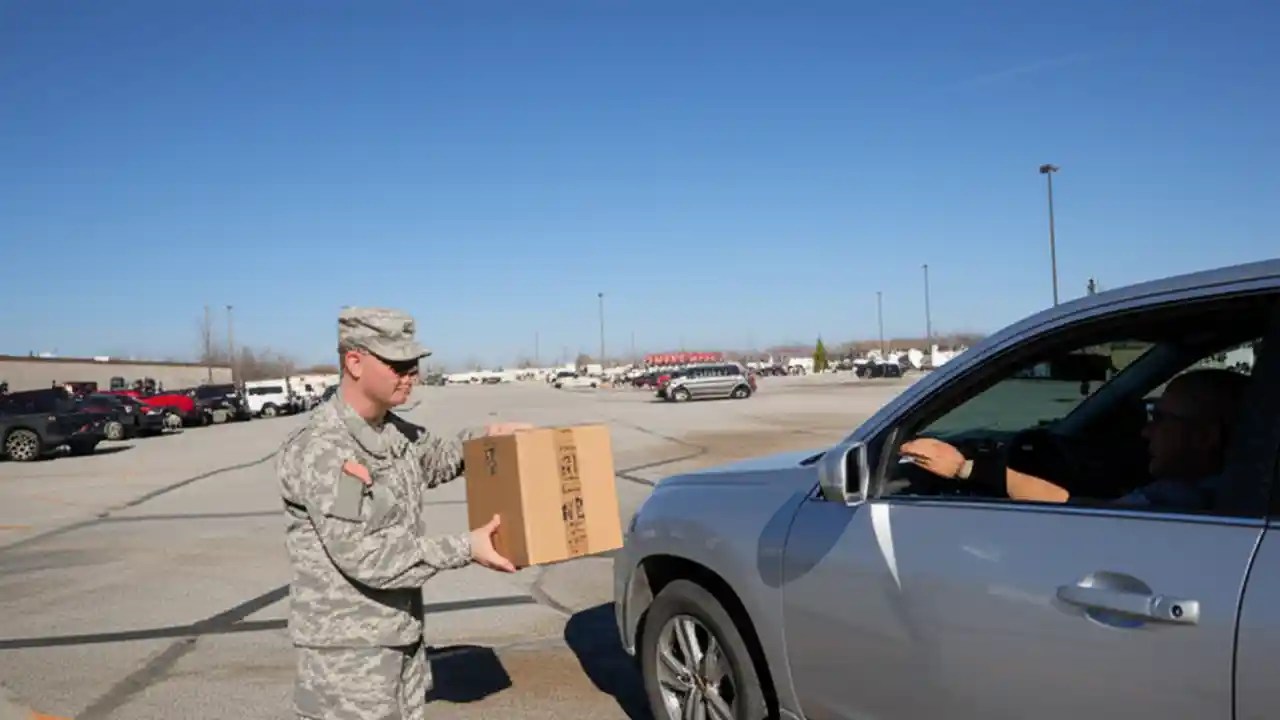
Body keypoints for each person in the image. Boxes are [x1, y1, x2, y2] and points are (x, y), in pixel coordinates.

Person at [278, 306, 529, 720]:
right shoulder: (323, 449)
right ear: (354, 362)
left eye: (414, 364)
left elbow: (441, 459)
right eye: (397, 365)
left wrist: (488, 439)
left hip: (398, 635)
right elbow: (366, 556)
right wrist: (466, 547)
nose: (410, 374)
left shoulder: (394, 433)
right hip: (347, 657)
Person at [900, 367, 1250, 510]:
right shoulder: (1238, 493)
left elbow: (1079, 512)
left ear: (1206, 436)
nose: (1146, 431)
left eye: (1159, 419)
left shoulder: (1182, 501)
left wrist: (964, 468)